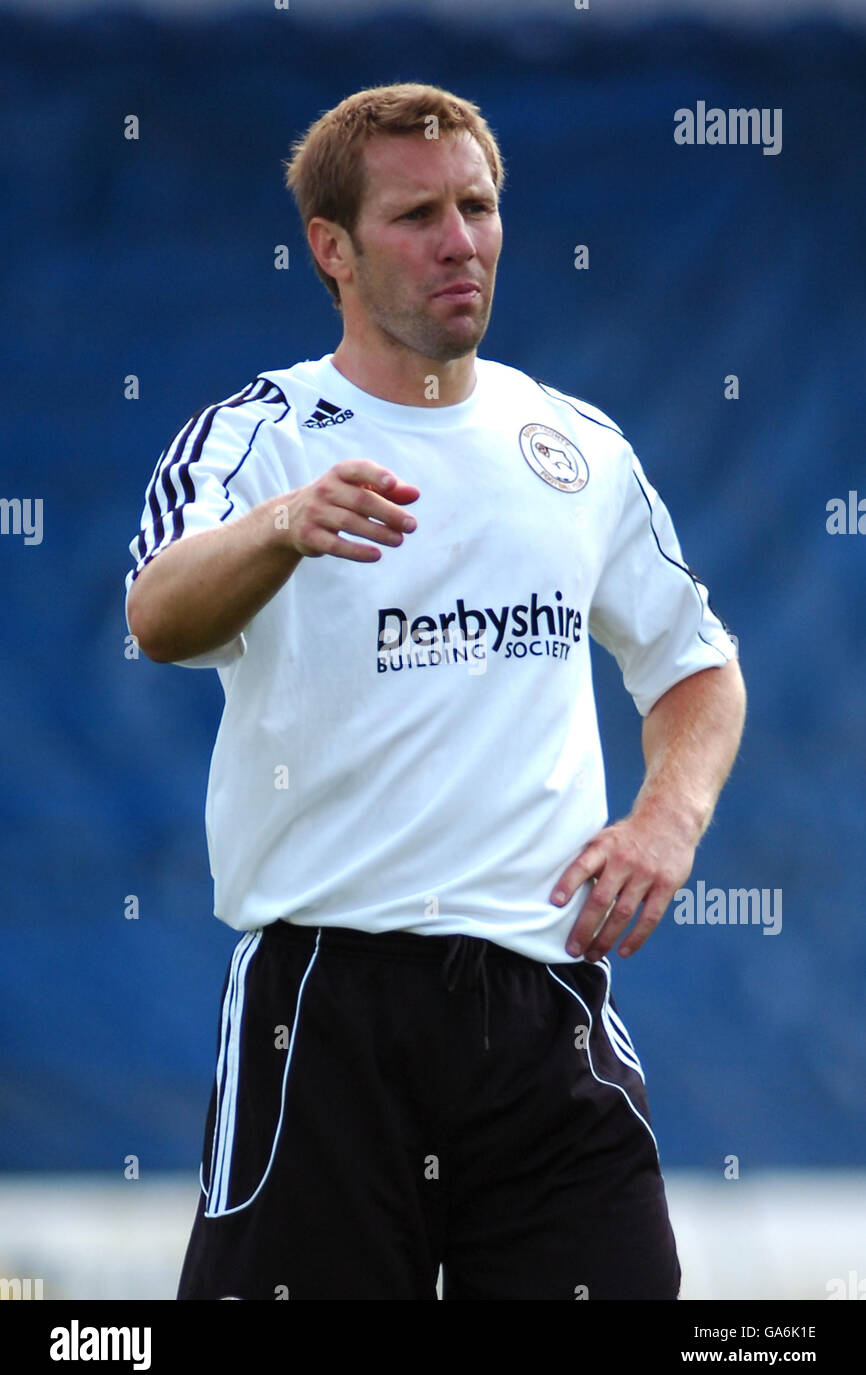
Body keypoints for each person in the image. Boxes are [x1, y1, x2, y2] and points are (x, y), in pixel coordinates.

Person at [125, 82, 746, 1301]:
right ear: (332, 250)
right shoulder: (259, 436)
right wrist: (284, 530)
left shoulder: (571, 445)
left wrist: (665, 820)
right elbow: (156, 614)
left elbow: (694, 665)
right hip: (325, 1009)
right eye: (417, 215)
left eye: (478, 206)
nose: (460, 241)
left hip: (543, 1003)